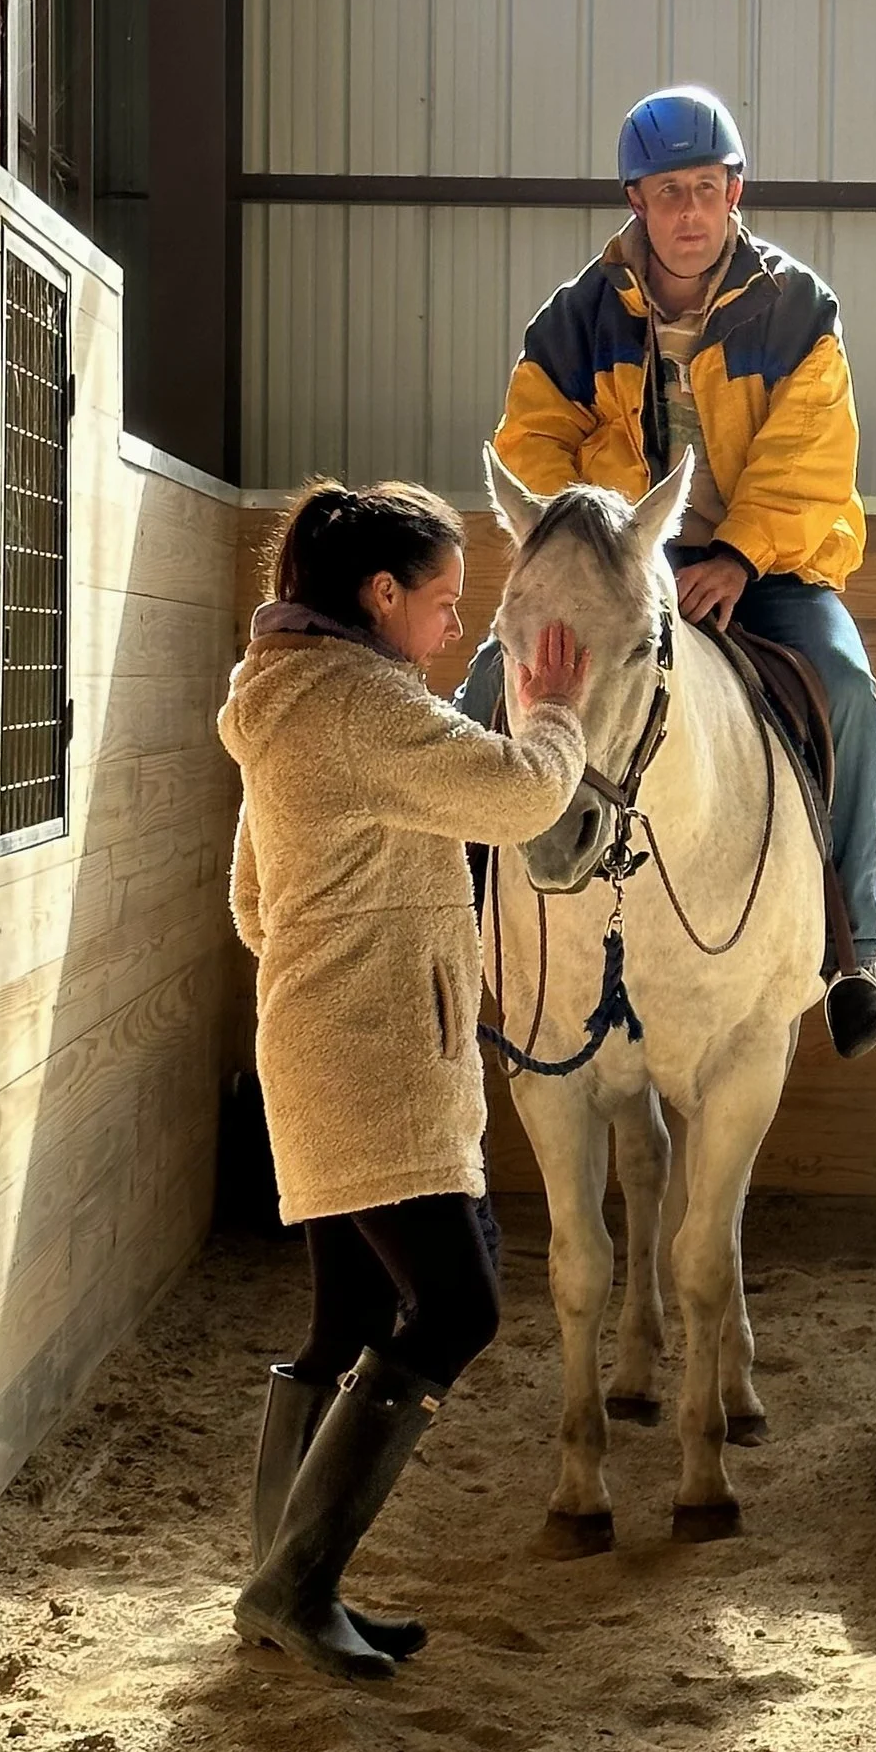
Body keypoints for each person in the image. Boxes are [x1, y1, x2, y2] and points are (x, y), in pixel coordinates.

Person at [218, 479, 590, 1682]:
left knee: (352, 1318)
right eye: (442, 603)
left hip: (325, 1044)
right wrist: (556, 706)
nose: (453, 629)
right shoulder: (362, 707)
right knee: (460, 1308)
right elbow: (528, 795)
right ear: (380, 598)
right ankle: (295, 1582)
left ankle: (282, 1583)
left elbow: (250, 905)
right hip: (373, 1058)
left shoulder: (291, 703)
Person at [459, 85, 876, 1059]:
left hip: (767, 562)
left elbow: (808, 452)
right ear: (637, 201)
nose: (690, 213)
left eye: (706, 189)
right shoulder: (575, 320)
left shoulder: (797, 310)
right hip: (623, 566)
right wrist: (599, 547)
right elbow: (533, 446)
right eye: (669, 194)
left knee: (849, 691)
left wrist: (742, 553)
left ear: (734, 190)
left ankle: (855, 954)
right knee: (491, 683)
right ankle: (462, 914)